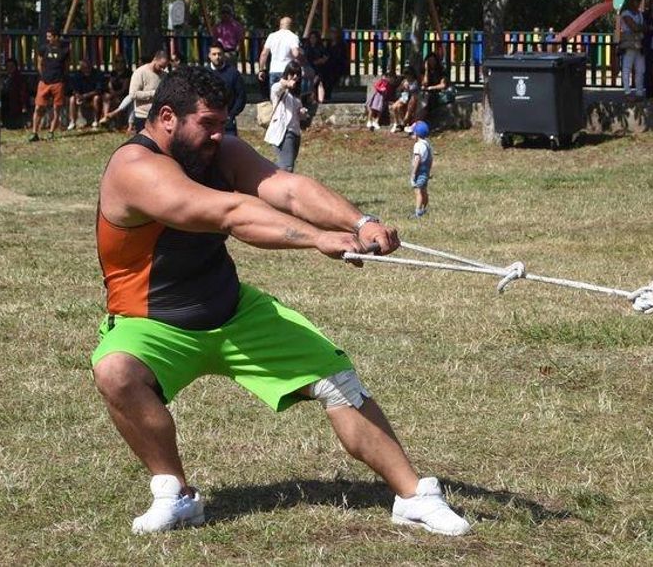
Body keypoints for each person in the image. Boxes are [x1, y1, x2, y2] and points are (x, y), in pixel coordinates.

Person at [91, 65, 470, 536]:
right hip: (151, 323)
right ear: (166, 116)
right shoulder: (134, 169)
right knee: (115, 371)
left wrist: (360, 222)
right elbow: (232, 212)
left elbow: (286, 187)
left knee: (339, 381)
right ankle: (175, 493)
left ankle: (414, 496)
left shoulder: (220, 152)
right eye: (207, 124)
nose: (218, 135)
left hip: (231, 309)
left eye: (222, 123)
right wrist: (316, 239)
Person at [262, 61, 307, 172]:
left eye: (298, 74)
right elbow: (276, 88)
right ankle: (279, 186)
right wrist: (286, 83)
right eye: (292, 74)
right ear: (287, 74)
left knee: (286, 164)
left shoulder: (297, 93)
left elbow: (299, 116)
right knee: (287, 167)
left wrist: (302, 113)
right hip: (284, 132)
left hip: (295, 131)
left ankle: (269, 174)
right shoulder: (280, 90)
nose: (295, 77)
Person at [30, 28, 71, 141]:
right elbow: (39, 63)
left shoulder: (65, 50)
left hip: (58, 82)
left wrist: (62, 79)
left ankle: (51, 132)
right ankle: (34, 133)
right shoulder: (43, 49)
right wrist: (43, 76)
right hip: (44, 82)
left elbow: (67, 67)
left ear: (56, 37)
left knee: (56, 108)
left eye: (50, 36)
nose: (48, 38)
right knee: (38, 107)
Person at [207, 44, 245, 136]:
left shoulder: (233, 73)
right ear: (209, 55)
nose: (217, 57)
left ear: (224, 55)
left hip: (227, 122)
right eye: (214, 54)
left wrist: (231, 114)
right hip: (209, 120)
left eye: (219, 54)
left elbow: (241, 96)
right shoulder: (204, 73)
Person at [257, 16, 301, 96]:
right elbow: (296, 54)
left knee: (275, 97)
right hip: (288, 71)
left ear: (280, 25)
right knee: (288, 98)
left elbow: (264, 54)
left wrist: (261, 70)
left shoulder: (272, 36)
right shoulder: (293, 37)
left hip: (273, 70)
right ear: (291, 26)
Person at [128, 50, 170, 130]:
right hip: (143, 116)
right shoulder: (140, 73)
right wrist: (153, 94)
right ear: (155, 59)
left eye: (164, 67)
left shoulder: (164, 75)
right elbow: (133, 94)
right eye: (160, 66)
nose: (162, 69)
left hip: (158, 116)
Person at [617, 0, 645, 101]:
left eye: (640, 0)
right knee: (627, 67)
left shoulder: (639, 14)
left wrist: (640, 27)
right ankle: (627, 91)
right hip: (629, 43)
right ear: (631, 0)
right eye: (637, 0)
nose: (639, 3)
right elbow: (634, 27)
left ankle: (639, 91)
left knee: (640, 69)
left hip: (639, 43)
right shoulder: (625, 13)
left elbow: (639, 27)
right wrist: (641, 27)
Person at [69, 59, 107, 130]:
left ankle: (96, 121)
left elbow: (98, 90)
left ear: (90, 66)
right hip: (81, 97)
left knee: (96, 98)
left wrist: (85, 96)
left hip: (92, 96)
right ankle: (72, 122)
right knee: (72, 99)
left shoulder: (97, 74)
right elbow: (73, 89)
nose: (85, 68)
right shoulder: (77, 75)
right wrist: (77, 95)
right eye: (82, 67)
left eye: (86, 66)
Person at [417, 52, 451, 122]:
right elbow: (425, 83)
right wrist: (426, 70)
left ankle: (418, 121)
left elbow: (443, 85)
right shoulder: (424, 71)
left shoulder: (441, 70)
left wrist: (431, 88)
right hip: (426, 92)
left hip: (437, 92)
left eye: (433, 60)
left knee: (427, 102)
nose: (432, 63)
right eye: (430, 61)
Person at [409, 121, 433, 218]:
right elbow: (430, 159)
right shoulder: (427, 144)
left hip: (419, 172)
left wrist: (413, 173)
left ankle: (418, 212)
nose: (411, 135)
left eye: (412, 133)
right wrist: (428, 172)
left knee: (418, 191)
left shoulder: (417, 145)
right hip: (425, 171)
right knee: (424, 191)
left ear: (417, 134)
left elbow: (417, 160)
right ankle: (424, 208)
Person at [320, 27, 350, 103]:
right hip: (329, 65)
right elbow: (326, 54)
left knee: (330, 75)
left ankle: (327, 95)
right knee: (323, 73)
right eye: (331, 32)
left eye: (334, 32)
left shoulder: (342, 44)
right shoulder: (328, 43)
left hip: (339, 65)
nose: (332, 34)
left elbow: (340, 57)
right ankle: (324, 95)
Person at [1, 57, 30, 130]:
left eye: (11, 66)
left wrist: (24, 105)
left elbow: (23, 92)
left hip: (15, 103)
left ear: (15, 67)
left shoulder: (19, 78)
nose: (9, 68)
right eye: (7, 67)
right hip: (5, 103)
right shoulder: (5, 78)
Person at [389, 68, 419, 133]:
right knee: (394, 107)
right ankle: (396, 123)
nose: (407, 77)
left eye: (408, 75)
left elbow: (414, 92)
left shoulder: (415, 82)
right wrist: (402, 87)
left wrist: (408, 89)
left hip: (410, 98)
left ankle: (404, 124)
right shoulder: (404, 81)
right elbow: (399, 89)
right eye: (406, 75)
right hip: (403, 97)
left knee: (399, 107)